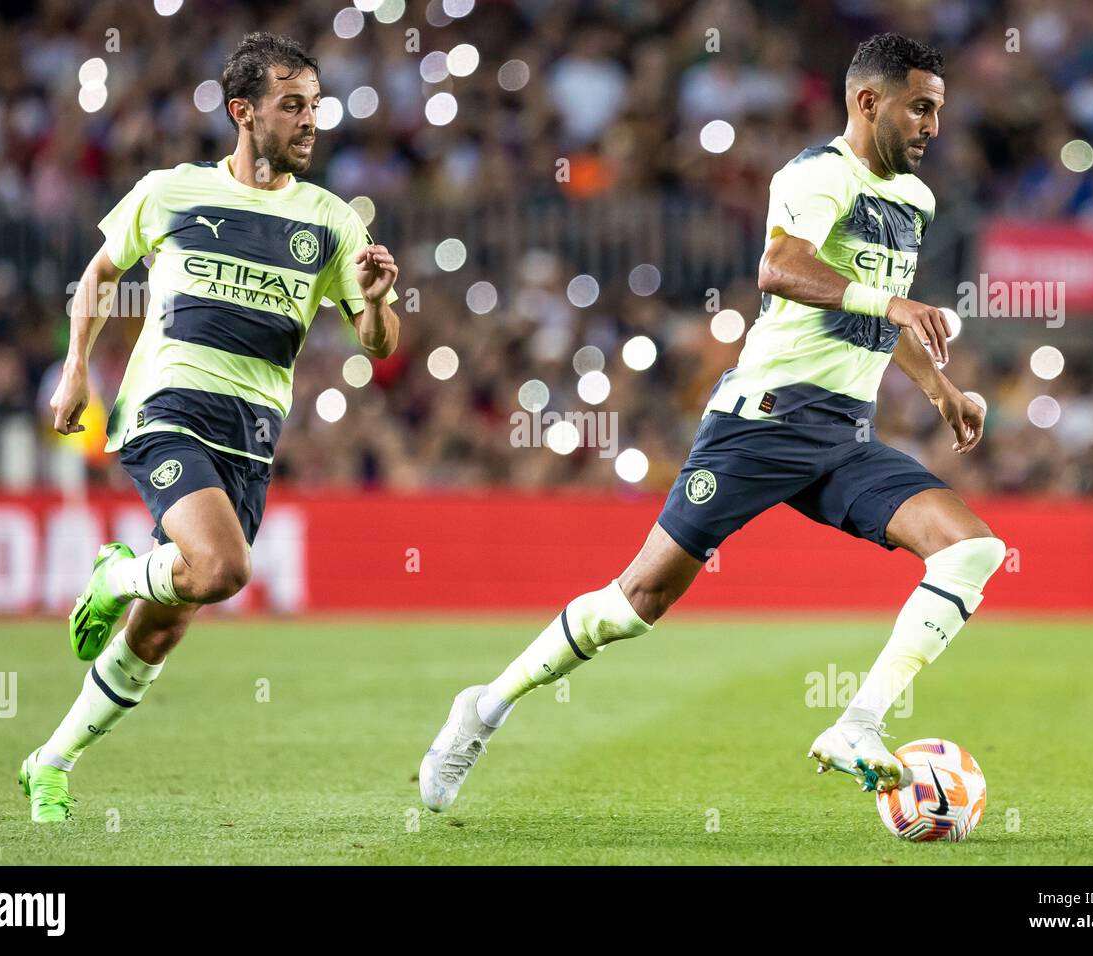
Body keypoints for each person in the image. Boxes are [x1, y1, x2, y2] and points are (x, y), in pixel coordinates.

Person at [419, 33, 1005, 812]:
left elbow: (880, 310)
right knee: (638, 604)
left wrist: (939, 390)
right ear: (869, 102)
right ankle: (484, 707)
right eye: (921, 107)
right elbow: (781, 267)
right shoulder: (817, 175)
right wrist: (886, 300)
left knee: (971, 549)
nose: (933, 125)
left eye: (938, 110)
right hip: (762, 420)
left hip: (843, 434)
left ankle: (858, 724)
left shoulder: (916, 201)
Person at [20, 32, 400, 822]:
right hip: (168, 408)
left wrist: (377, 300)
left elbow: (379, 344)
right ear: (243, 111)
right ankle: (115, 575)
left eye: (316, 107)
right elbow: (98, 275)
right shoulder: (171, 191)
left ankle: (50, 760)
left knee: (157, 636)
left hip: (252, 437)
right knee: (223, 568)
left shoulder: (329, 219)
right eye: (292, 106)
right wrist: (74, 367)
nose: (310, 122)